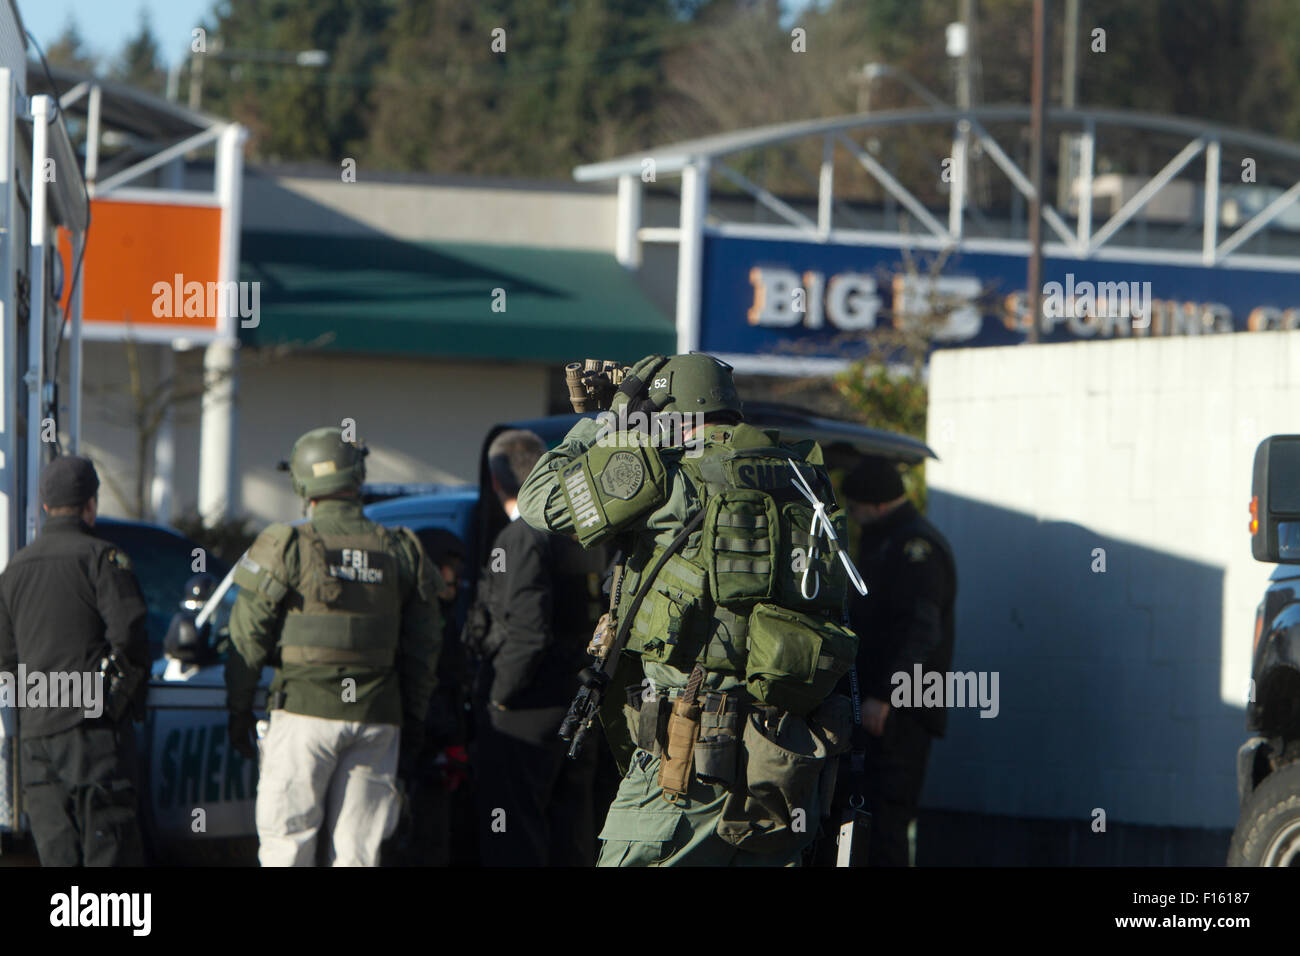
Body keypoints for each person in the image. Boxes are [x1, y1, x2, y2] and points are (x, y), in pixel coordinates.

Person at [518, 353, 858, 867]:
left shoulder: (669, 478)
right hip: (785, 762)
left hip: (687, 761)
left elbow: (540, 500)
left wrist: (610, 423)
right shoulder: (802, 478)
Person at [224, 426, 441, 867]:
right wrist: (413, 720)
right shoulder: (402, 549)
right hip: (377, 720)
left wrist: (239, 709)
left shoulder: (286, 544)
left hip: (303, 715)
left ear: (302, 483)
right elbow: (425, 647)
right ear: (357, 476)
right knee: (359, 854)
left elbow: (246, 636)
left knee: (288, 847)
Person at [0, 455, 149, 866]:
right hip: (92, 737)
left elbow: (6, 661)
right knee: (109, 847)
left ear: (45, 507)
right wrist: (112, 704)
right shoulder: (102, 558)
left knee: (57, 853)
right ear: (91, 504)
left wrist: (36, 703)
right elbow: (131, 641)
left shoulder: (14, 570)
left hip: (36, 738)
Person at [472, 429, 599, 866]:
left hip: (526, 708)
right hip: (575, 701)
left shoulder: (521, 537)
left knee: (512, 834)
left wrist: (499, 697)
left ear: (495, 481)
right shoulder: (576, 533)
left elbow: (527, 633)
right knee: (570, 833)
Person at [840, 456, 957, 867]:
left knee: (886, 824)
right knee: (867, 821)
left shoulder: (914, 550)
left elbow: (920, 634)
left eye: (854, 508)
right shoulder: (889, 540)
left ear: (876, 504)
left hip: (898, 714)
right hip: (883, 710)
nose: (852, 518)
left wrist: (884, 696)